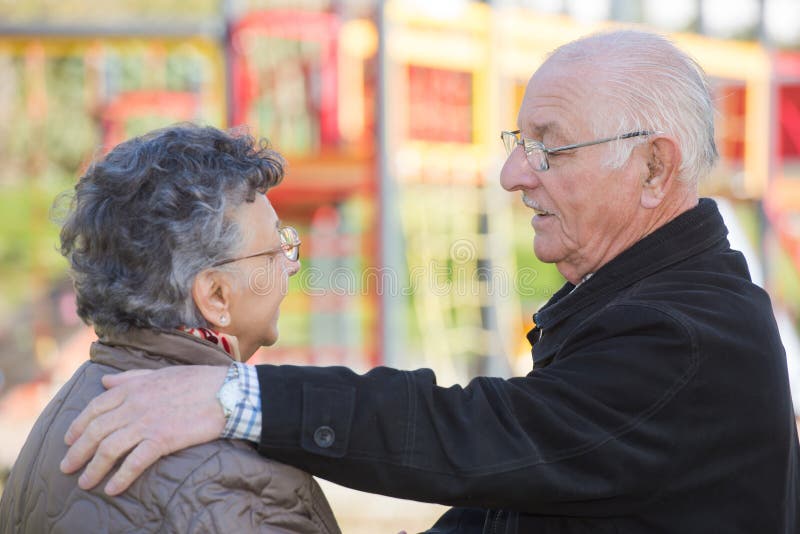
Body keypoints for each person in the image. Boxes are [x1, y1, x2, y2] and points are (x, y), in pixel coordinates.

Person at [58, 30, 799, 533]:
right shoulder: (638, 306)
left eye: (550, 147)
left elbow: (486, 436)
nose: (513, 174)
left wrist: (240, 397)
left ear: (654, 169)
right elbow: (509, 494)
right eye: (521, 142)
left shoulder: (690, 338)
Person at [0, 125, 340, 533]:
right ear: (215, 295)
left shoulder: (74, 402)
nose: (292, 264)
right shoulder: (235, 484)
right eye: (275, 249)